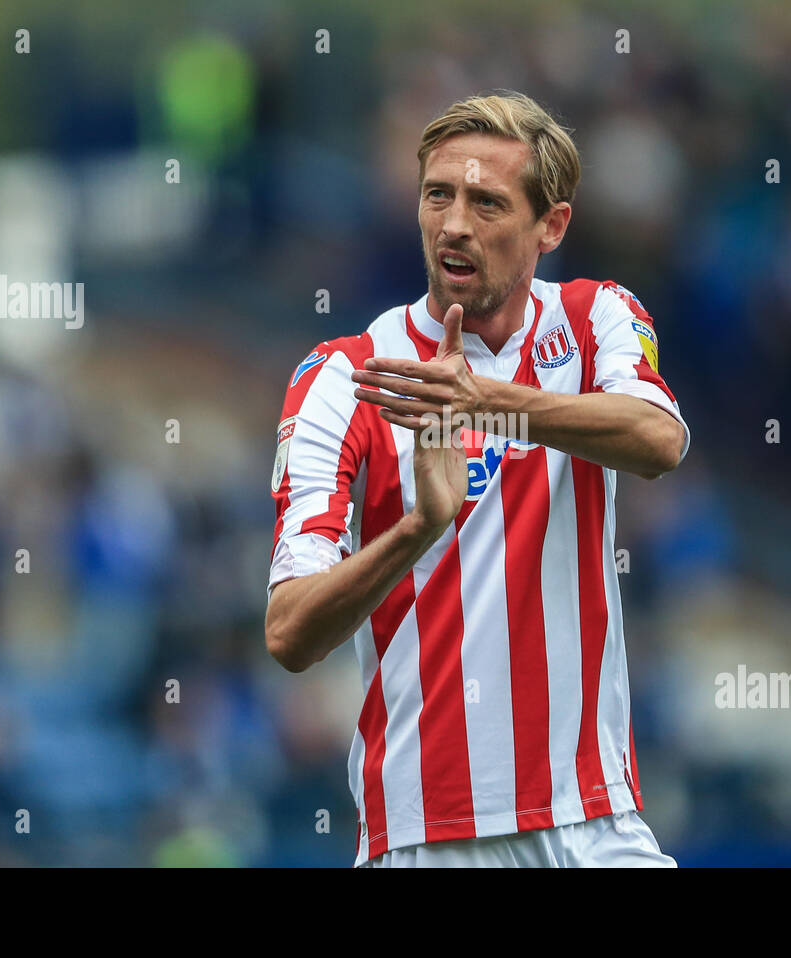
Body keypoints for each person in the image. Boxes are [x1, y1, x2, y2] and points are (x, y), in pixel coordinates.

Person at [265, 91, 689, 867]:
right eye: (438, 195)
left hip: (597, 821)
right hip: (431, 836)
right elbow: (289, 632)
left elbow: (657, 439)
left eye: (487, 202)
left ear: (550, 226)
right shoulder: (342, 375)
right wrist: (416, 529)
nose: (454, 224)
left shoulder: (597, 320)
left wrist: (486, 404)